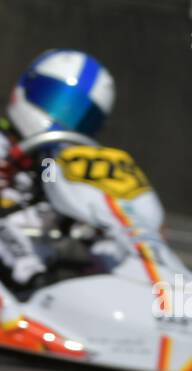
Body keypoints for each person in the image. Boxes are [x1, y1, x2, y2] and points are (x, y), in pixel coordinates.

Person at [0, 50, 128, 293]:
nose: (60, 117)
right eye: (55, 100)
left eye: (78, 114)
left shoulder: (69, 167)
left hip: (48, 274)